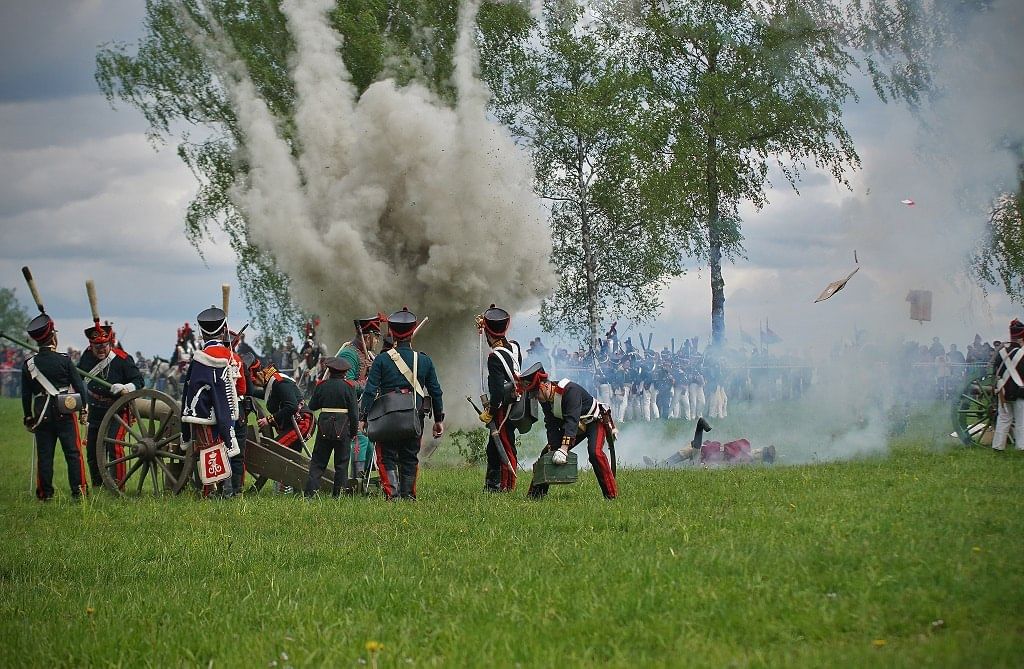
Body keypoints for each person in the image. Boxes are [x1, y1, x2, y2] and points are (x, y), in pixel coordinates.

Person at [360, 308, 444, 501]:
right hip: (414, 416)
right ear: (412, 330)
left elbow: (370, 391)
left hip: (386, 417)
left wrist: (363, 417)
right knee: (410, 457)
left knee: (386, 456)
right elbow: (436, 392)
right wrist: (439, 419)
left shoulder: (381, 359)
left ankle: (392, 495)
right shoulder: (424, 360)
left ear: (392, 331)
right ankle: (408, 495)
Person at [520, 363, 617, 500]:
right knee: (546, 453)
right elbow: (551, 424)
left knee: (595, 453)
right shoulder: (545, 399)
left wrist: (564, 449)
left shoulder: (570, 390)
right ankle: (535, 496)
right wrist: (554, 447)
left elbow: (571, 420)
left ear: (546, 386)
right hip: (575, 427)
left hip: (594, 421)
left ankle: (611, 496)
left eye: (536, 393)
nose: (536, 397)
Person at [22, 314, 88, 501]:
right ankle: (79, 492)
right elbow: (79, 386)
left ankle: (45, 494)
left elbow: (26, 395)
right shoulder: (64, 360)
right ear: (53, 337)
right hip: (64, 411)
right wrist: (84, 409)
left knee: (45, 456)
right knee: (73, 454)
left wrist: (28, 417)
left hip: (41, 413)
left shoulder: (29, 364)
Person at [180, 307, 244, 495]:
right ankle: (229, 490)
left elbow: (189, 389)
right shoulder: (233, 357)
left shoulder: (199, 359)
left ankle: (211, 490)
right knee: (227, 445)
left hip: (205, 414)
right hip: (230, 412)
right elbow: (242, 389)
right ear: (224, 330)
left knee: (210, 448)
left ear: (201, 333)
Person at [77, 317, 145, 489]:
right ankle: (98, 486)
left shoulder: (123, 359)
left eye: (104, 346)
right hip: (95, 409)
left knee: (115, 445)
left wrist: (126, 386)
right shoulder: (86, 358)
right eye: (97, 346)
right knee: (93, 449)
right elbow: (77, 378)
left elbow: (139, 381)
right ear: (91, 345)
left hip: (118, 410)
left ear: (110, 343)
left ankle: (117, 485)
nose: (101, 350)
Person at [476, 305, 522, 492]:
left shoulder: (494, 356)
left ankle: (506, 485)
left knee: (504, 445)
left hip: (503, 407)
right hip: (515, 403)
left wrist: (491, 411)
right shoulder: (515, 347)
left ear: (489, 332)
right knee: (493, 447)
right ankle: (492, 485)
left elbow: (496, 392)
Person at [336, 314, 386, 485]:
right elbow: (345, 385)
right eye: (376, 336)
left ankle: (361, 479)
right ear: (367, 336)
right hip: (345, 411)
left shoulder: (368, 355)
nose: (378, 340)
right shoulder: (349, 354)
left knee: (371, 444)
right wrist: (367, 382)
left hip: (360, 410)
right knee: (361, 441)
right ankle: (355, 481)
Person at [305, 357, 358, 497]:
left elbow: (312, 406)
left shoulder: (321, 385)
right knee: (341, 464)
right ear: (344, 372)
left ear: (330, 370)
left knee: (318, 463)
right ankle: (338, 495)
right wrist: (353, 432)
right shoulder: (349, 387)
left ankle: (310, 494)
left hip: (324, 424)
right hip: (343, 427)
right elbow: (354, 413)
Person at [991, 319, 1024, 452]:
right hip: (1020, 392)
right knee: (1022, 421)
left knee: (1003, 419)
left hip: (1003, 391)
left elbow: (995, 371)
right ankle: (1021, 447)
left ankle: (998, 447)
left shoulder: (1001, 353)